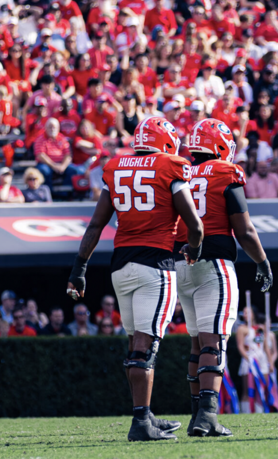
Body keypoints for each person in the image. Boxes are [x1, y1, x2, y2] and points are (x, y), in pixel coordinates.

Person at [65, 116, 203, 442]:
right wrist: (194, 249)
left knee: (133, 345)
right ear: (166, 143)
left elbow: (96, 225)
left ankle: (145, 414)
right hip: (154, 263)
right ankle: (141, 421)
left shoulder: (115, 166)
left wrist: (79, 269)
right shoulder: (171, 165)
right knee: (145, 347)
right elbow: (194, 224)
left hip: (119, 266)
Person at [175, 118, 271, 437]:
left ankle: (195, 414)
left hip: (181, 264)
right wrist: (262, 261)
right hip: (214, 263)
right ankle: (207, 415)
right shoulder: (226, 172)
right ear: (219, 146)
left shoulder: (181, 171)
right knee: (214, 341)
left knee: (196, 342)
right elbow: (243, 230)